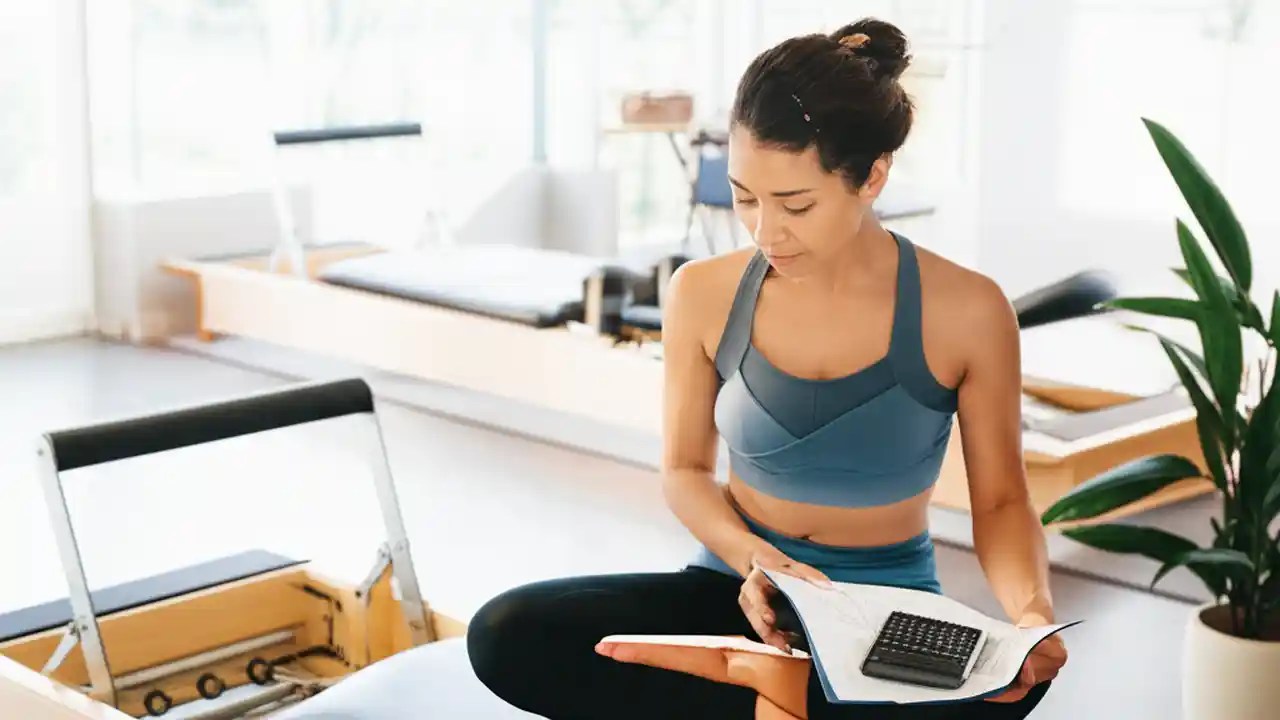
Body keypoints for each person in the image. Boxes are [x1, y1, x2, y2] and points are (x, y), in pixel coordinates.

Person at [467, 17, 1067, 720]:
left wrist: (1031, 614)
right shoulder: (702, 292)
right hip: (735, 594)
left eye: (797, 204)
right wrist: (754, 556)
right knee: (507, 634)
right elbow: (686, 472)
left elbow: (1000, 503)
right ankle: (772, 689)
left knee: (1015, 685)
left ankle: (765, 693)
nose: (765, 231)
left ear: (872, 177)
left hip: (881, 616)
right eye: (745, 196)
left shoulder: (968, 310)